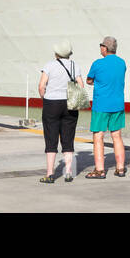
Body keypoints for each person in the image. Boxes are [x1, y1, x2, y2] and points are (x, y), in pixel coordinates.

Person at [84, 36, 128, 178]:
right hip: (118, 104)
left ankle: (100, 170)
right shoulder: (122, 63)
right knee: (117, 136)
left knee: (98, 136)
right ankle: (120, 168)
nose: (100, 48)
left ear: (105, 48)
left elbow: (89, 80)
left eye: (101, 46)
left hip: (101, 105)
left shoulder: (97, 64)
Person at [38, 40, 81, 183]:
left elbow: (42, 85)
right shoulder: (75, 66)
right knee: (68, 138)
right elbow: (80, 85)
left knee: (51, 138)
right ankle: (68, 172)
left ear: (56, 53)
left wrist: (45, 97)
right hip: (70, 103)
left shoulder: (49, 65)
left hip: (52, 103)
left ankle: (50, 174)